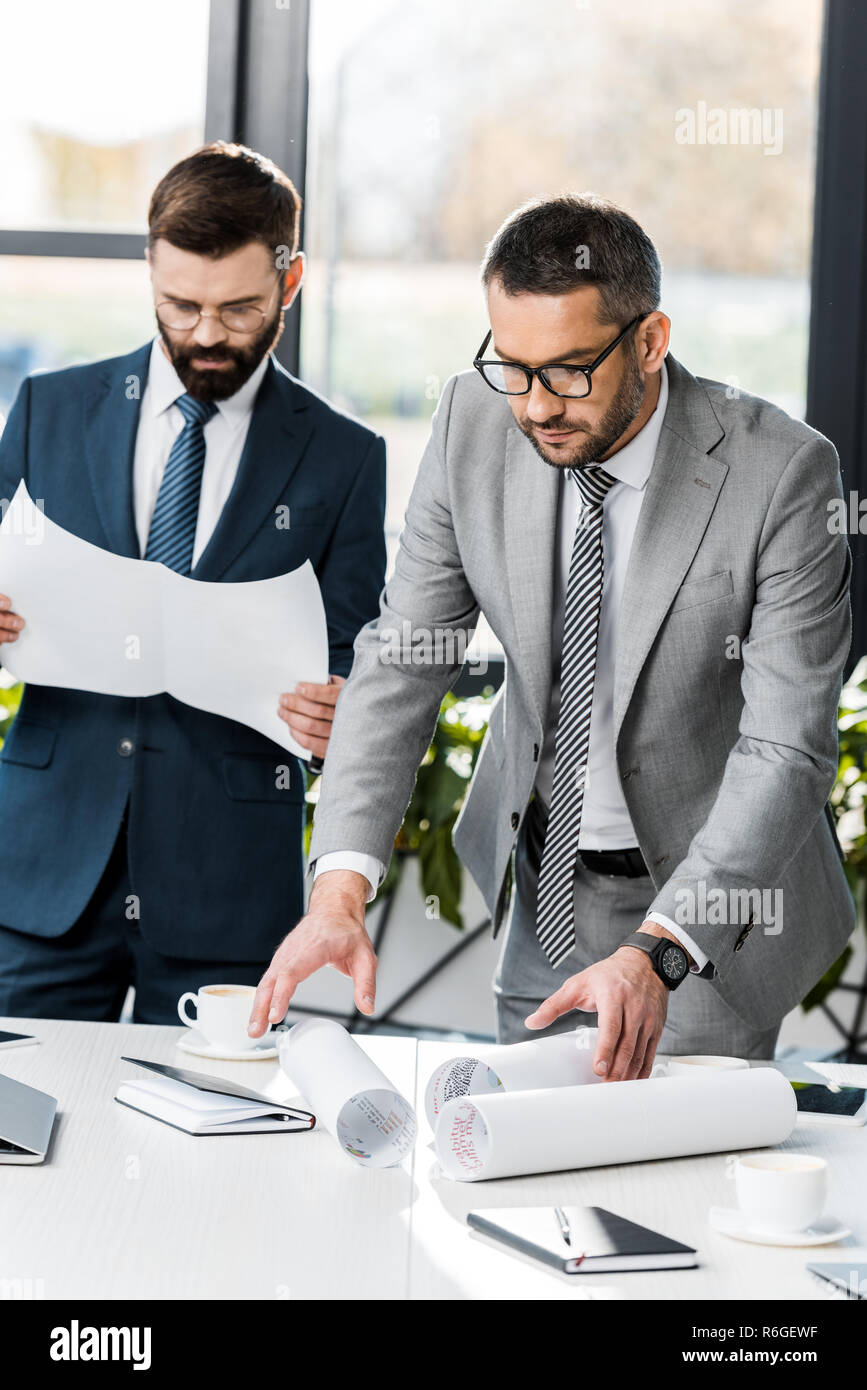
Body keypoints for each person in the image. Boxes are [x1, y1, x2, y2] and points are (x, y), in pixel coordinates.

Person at [248, 193, 854, 1080]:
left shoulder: (782, 473)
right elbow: (402, 657)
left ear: (649, 342)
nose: (534, 407)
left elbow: (785, 747)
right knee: (518, 1167)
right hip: (545, 887)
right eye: (512, 366)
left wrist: (660, 953)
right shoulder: (469, 424)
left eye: (569, 371)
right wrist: (339, 887)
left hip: (705, 910)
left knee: (668, 1194)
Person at [0, 142, 386, 1023]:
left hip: (228, 885)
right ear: (148, 272)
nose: (206, 333)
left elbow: (356, 655)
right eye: (180, 305)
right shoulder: (48, 409)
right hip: (43, 869)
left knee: (222, 1134)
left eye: (239, 308)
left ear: (290, 283)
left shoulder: (344, 458)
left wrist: (338, 708)